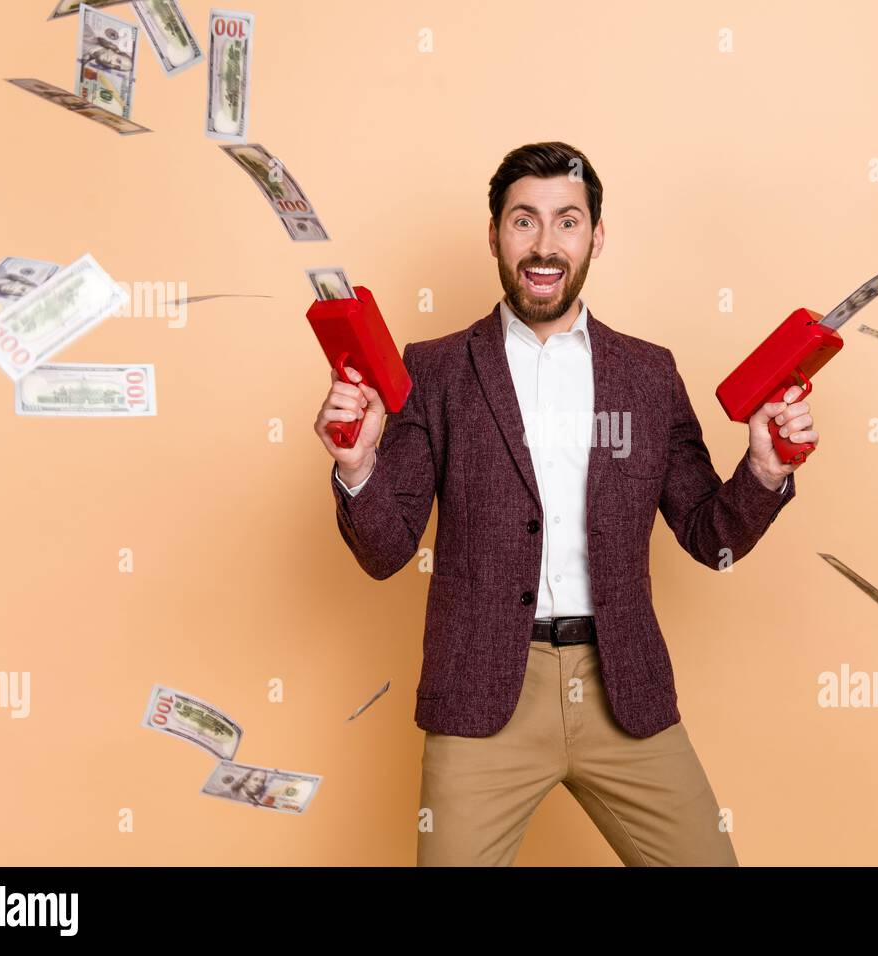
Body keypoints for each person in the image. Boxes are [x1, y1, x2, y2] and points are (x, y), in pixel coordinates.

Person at [314, 142, 815, 866]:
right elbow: (387, 552)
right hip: (482, 695)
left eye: (568, 221)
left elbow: (712, 538)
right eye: (524, 221)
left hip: (624, 691)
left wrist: (763, 470)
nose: (545, 245)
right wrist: (358, 464)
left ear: (596, 236)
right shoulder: (435, 370)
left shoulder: (648, 375)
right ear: (493, 235)